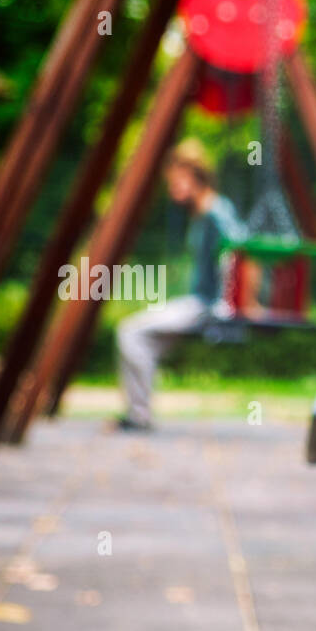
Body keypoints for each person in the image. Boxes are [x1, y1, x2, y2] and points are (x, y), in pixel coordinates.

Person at [115, 138, 247, 431]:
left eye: (177, 182)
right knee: (139, 340)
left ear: (194, 176)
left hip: (207, 305)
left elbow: (240, 251)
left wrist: (233, 303)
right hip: (198, 302)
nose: (172, 190)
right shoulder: (201, 214)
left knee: (131, 332)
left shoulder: (216, 211)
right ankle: (139, 412)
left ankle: (139, 414)